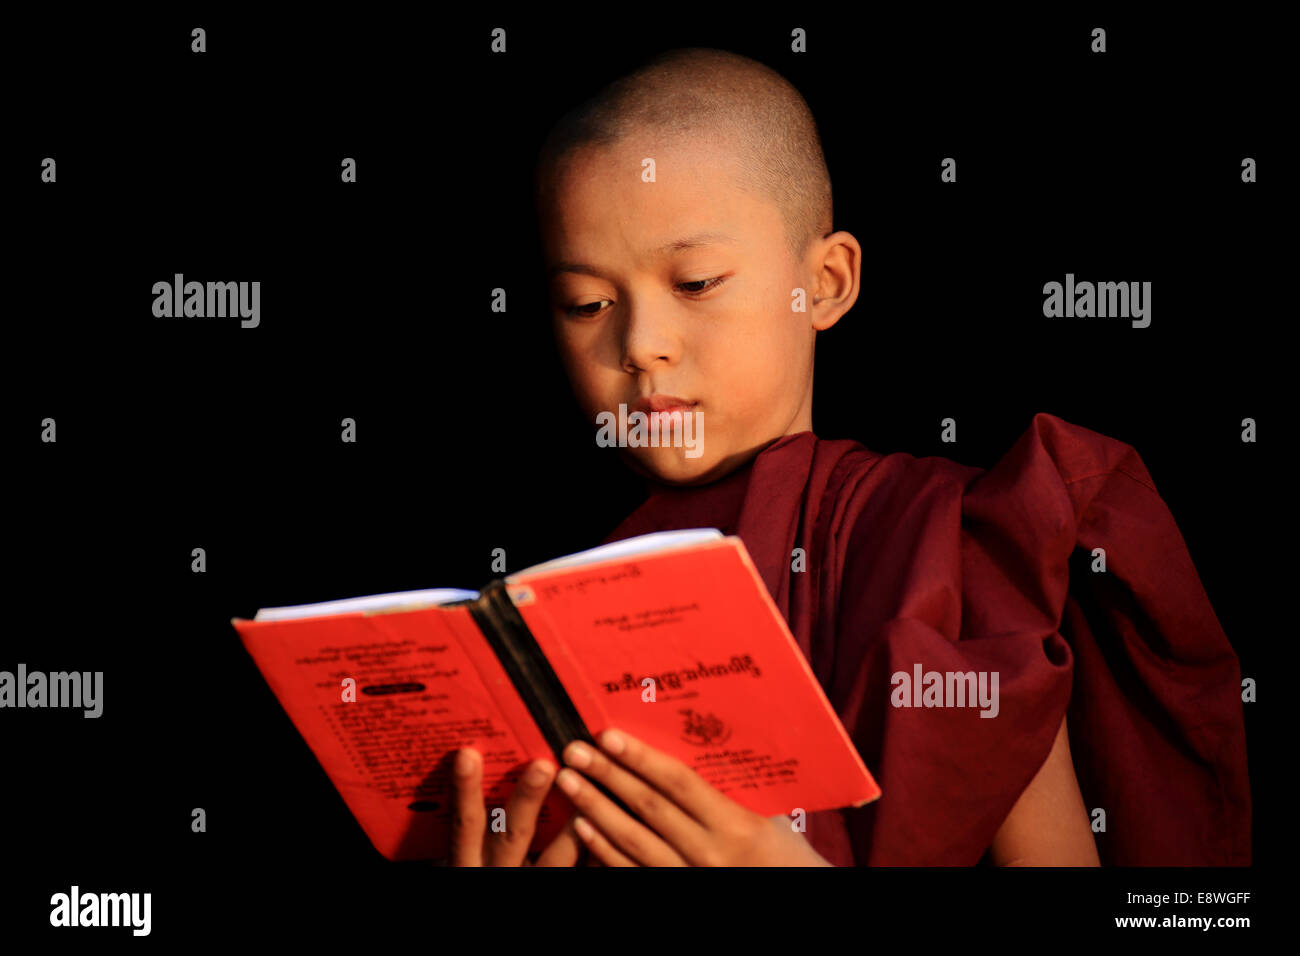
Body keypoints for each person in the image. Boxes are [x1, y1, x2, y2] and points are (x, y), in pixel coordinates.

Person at [448, 47, 1250, 866]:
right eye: (586, 303)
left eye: (693, 283)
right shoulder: (561, 611)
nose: (642, 346)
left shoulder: (941, 545)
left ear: (825, 281)